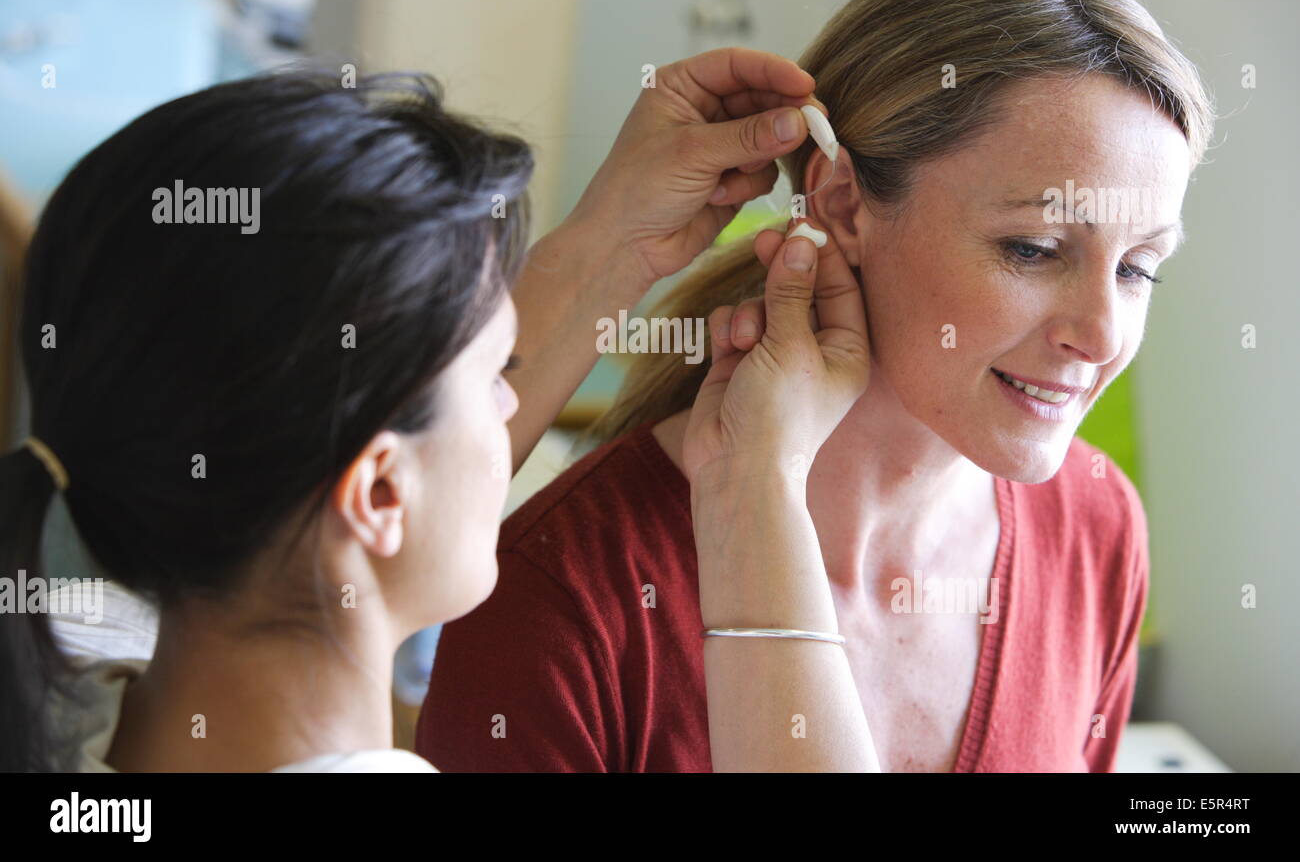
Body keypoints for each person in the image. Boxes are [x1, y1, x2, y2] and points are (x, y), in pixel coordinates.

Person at [418, 0, 1217, 772]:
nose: (1100, 336)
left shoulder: (1099, 529)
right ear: (840, 205)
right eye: (1033, 248)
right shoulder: (561, 596)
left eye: (1138, 269)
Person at [1, 50, 880, 771]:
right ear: (380, 496)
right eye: (496, 372)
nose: (513, 403)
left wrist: (613, 242)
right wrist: (760, 486)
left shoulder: (72, 698)